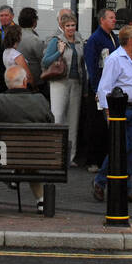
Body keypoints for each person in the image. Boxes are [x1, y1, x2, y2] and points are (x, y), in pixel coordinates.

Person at [0, 66, 55, 211]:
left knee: (17, 150)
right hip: (38, 155)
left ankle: (16, 173)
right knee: (29, 156)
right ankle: (41, 200)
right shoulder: (40, 100)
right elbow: (51, 122)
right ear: (25, 82)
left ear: (7, 83)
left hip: (6, 157)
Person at [92, 24, 132, 203]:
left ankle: (125, 188)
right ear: (129, 40)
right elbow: (105, 87)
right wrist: (108, 112)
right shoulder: (115, 59)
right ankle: (100, 181)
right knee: (120, 147)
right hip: (118, 109)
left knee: (130, 149)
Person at [43, 9, 84, 166]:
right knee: (58, 117)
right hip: (59, 81)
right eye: (68, 25)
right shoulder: (55, 40)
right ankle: (55, 154)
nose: (71, 28)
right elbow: (45, 62)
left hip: (76, 82)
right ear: (62, 26)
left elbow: (82, 62)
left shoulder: (79, 39)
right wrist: (58, 52)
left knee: (73, 120)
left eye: (73, 25)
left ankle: (70, 157)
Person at [83, 8, 119, 169]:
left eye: (114, 18)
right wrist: (97, 89)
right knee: (96, 124)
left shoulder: (113, 37)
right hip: (99, 88)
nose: (114, 20)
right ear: (102, 20)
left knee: (106, 126)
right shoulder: (94, 39)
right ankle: (92, 160)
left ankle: (106, 158)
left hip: (112, 86)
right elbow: (91, 66)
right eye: (111, 18)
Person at [16, 7, 45, 88]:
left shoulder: (14, 35)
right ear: (34, 21)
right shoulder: (35, 39)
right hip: (34, 83)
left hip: (16, 79)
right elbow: (43, 61)